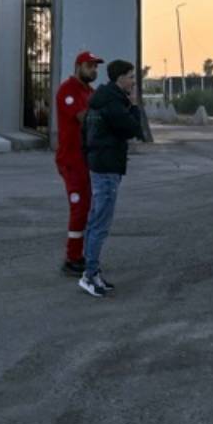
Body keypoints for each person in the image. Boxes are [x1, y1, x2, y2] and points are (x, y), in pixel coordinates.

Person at [78, 59, 143, 298]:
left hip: (99, 164)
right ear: (120, 79)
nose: (133, 81)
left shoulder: (100, 100)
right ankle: (89, 275)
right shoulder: (114, 104)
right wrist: (134, 105)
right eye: (131, 76)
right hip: (106, 167)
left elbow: (85, 132)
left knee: (96, 219)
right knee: (100, 223)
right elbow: (132, 128)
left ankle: (92, 272)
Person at [55, 51, 104, 276]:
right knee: (79, 208)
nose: (93, 70)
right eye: (89, 66)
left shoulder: (90, 92)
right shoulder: (68, 90)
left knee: (87, 208)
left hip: (86, 159)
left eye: (95, 67)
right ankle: (72, 258)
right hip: (71, 159)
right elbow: (84, 118)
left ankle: (81, 255)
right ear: (78, 67)